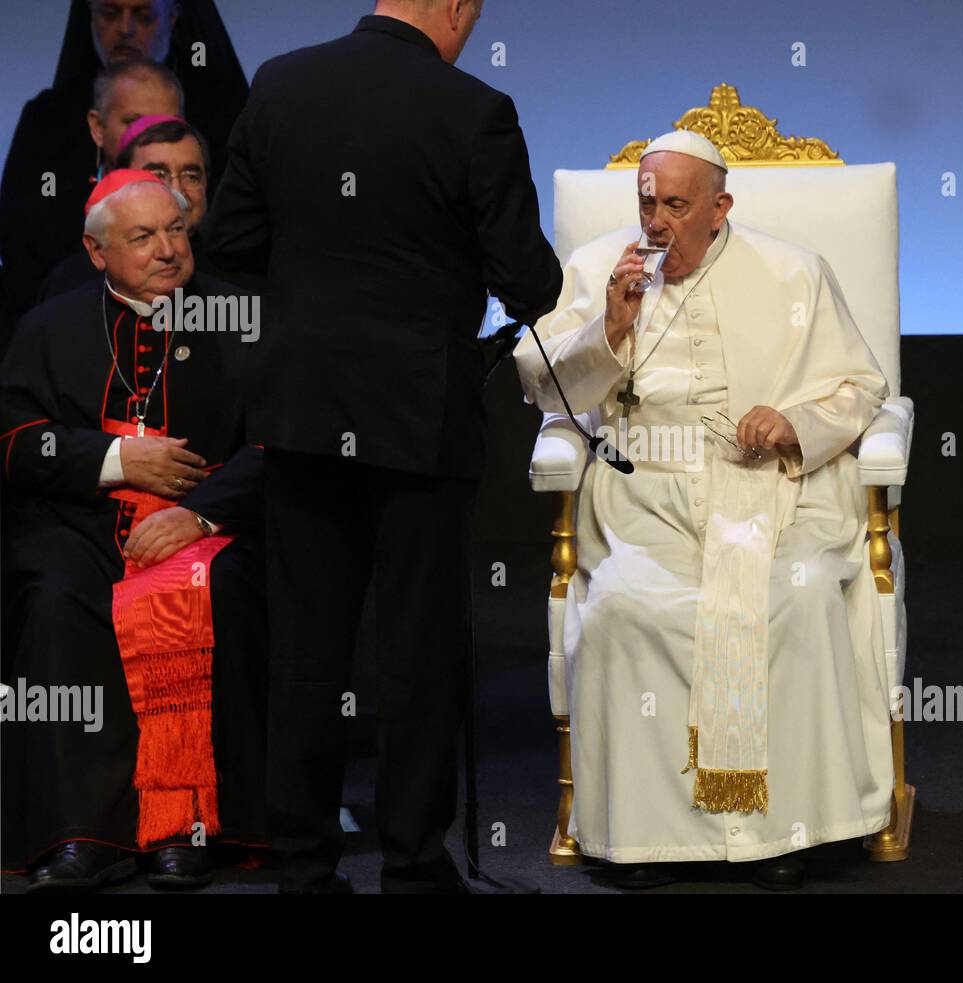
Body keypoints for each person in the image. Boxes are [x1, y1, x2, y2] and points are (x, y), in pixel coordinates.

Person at [205, 0, 562, 894]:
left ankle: (300, 865)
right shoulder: (473, 110)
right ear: (450, 8)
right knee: (416, 653)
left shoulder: (280, 85)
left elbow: (232, 244)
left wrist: (295, 332)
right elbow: (528, 278)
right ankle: (411, 865)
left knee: (305, 651)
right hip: (419, 421)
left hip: (301, 416)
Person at [512, 130, 893, 891]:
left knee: (796, 595)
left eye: (676, 205)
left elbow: (860, 388)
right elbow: (541, 384)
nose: (655, 221)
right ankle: (645, 836)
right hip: (643, 493)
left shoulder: (793, 273)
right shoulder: (598, 270)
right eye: (646, 201)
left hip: (770, 488)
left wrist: (794, 423)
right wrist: (610, 326)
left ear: (719, 207)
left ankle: (786, 832)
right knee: (624, 605)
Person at [0, 171, 267, 892]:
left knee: (211, 590)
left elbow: (281, 438)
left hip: (212, 521)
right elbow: (16, 439)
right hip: (83, 521)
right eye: (143, 237)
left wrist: (200, 511)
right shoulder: (50, 325)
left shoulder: (239, 315)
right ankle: (79, 833)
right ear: (96, 252)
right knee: (56, 597)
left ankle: (186, 830)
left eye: (176, 230)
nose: (167, 250)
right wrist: (120, 458)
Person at [0, 0, 247, 323]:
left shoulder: (223, 116)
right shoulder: (47, 119)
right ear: (97, 127)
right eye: (110, 14)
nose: (125, 30)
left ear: (171, 17)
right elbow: (19, 243)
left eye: (144, 16)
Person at [42, 114, 210, 299]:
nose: (176, 190)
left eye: (191, 176)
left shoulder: (236, 272)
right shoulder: (69, 282)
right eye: (158, 175)